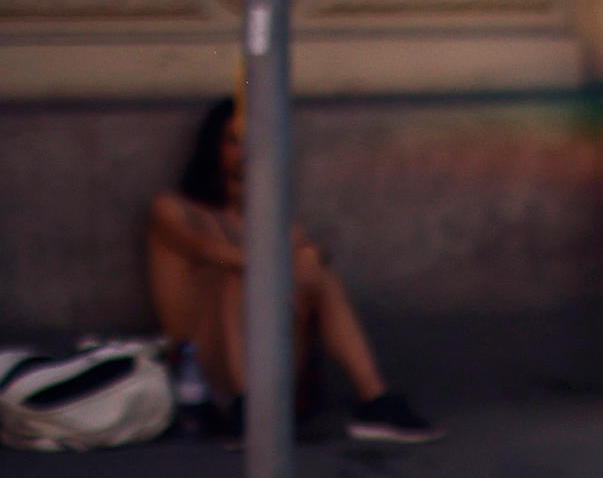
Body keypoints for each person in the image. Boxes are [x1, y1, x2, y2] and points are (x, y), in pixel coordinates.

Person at [144, 98, 434, 444]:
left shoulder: (268, 218)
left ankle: (374, 399)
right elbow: (216, 254)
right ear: (212, 147)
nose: (244, 153)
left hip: (272, 367)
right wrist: (302, 258)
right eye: (233, 141)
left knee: (320, 278)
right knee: (243, 278)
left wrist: (310, 258)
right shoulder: (172, 210)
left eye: (254, 141)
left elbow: (309, 260)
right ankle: (245, 410)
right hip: (201, 372)